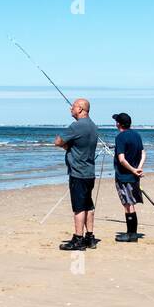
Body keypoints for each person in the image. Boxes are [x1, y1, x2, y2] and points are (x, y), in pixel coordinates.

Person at [54, 98, 98, 251]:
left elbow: (58, 141)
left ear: (80, 109)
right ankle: (90, 237)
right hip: (89, 172)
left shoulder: (76, 126)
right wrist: (71, 148)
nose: (70, 109)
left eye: (72, 106)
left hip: (78, 172)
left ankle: (78, 239)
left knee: (79, 207)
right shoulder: (93, 126)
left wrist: (67, 147)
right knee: (88, 205)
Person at [111, 113, 146, 242]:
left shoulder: (120, 137)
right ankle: (132, 233)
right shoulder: (136, 135)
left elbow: (121, 159)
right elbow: (143, 153)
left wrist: (133, 170)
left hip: (124, 176)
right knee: (130, 203)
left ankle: (131, 234)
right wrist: (138, 168)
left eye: (116, 121)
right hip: (134, 176)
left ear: (119, 124)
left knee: (128, 204)